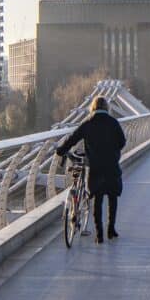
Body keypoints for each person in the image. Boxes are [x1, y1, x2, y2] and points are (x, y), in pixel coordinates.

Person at [54, 96, 128, 243]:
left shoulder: (87, 123)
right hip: (111, 166)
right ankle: (111, 230)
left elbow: (72, 139)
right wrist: (112, 152)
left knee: (98, 200)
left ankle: (99, 235)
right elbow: (122, 142)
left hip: (95, 167)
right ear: (106, 108)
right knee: (112, 198)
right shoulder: (113, 123)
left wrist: (61, 150)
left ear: (93, 107)